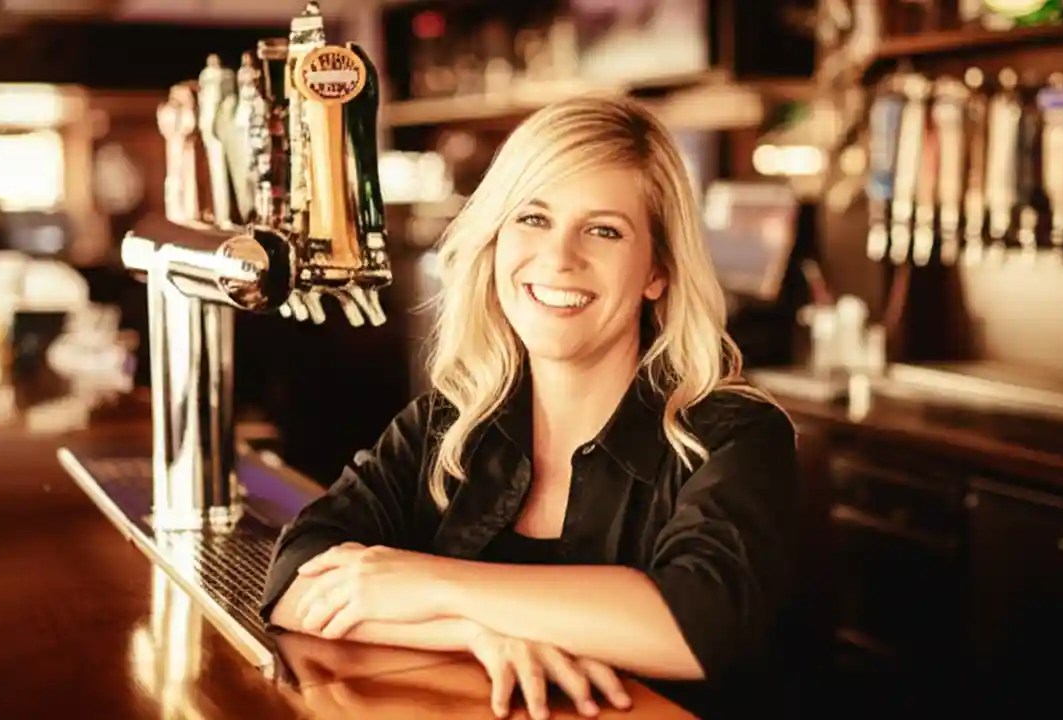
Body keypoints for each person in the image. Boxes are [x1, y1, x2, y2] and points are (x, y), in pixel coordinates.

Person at [259, 96, 800, 720]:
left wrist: (427, 583)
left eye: (603, 230)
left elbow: (696, 624)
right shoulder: (449, 423)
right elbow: (296, 579)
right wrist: (476, 633)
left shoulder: (734, 434)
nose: (559, 257)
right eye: (533, 218)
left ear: (658, 270)